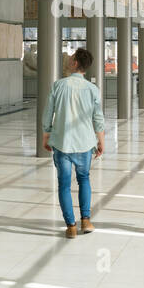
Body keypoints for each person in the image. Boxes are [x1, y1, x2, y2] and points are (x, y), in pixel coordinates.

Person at [42, 47, 106, 239]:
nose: (68, 60)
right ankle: (85, 220)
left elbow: (48, 114)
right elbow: (98, 118)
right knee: (84, 179)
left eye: (71, 58)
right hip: (85, 142)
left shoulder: (58, 86)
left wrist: (46, 135)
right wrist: (101, 141)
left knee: (63, 184)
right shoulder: (92, 89)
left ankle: (70, 226)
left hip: (61, 142)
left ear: (76, 63)